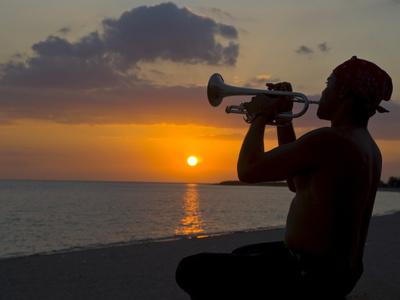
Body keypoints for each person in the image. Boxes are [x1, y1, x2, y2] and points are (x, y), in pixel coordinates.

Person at [175, 56, 392, 299]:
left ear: (342, 92)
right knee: (243, 253)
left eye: (327, 83)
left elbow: (248, 170)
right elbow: (295, 183)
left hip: (310, 274)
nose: (322, 91)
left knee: (191, 269)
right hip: (339, 271)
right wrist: (284, 119)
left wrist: (259, 117)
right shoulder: (367, 146)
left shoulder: (330, 140)